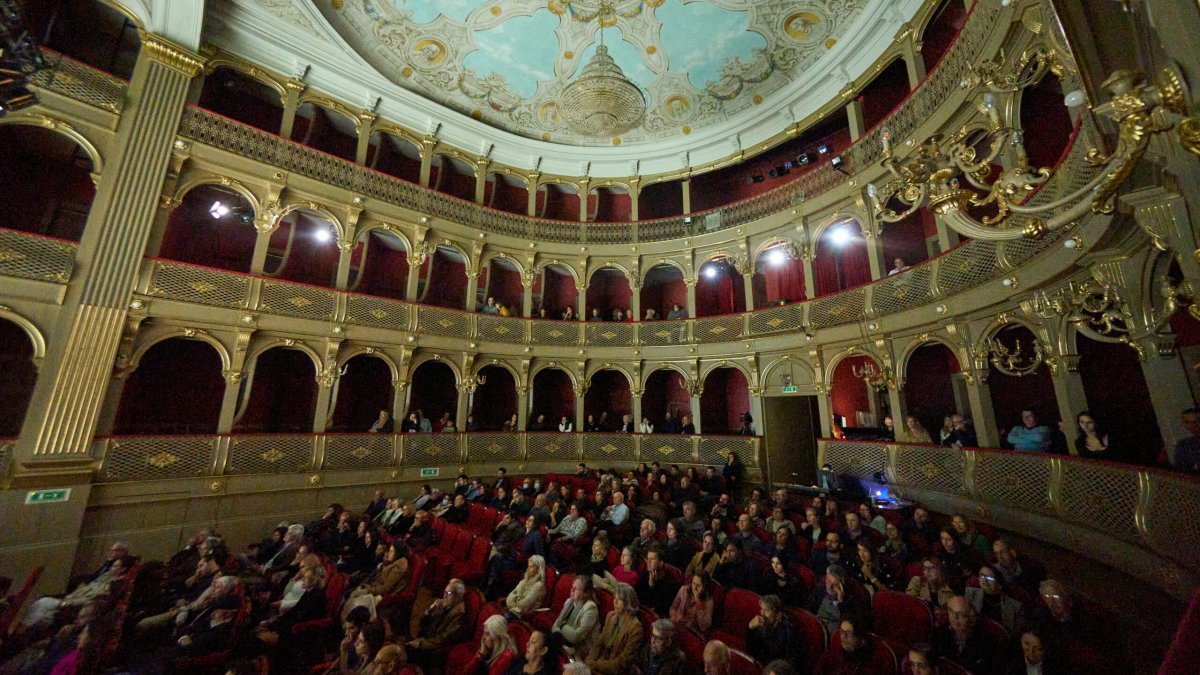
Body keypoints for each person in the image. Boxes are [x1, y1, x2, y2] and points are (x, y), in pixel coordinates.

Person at [932, 595, 1000, 675]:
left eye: (960, 615)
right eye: (951, 612)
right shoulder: (939, 634)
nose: (954, 618)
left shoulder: (985, 640)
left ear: (971, 618)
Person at [584, 583, 643, 675]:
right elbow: (599, 643)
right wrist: (589, 661)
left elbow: (622, 662)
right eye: (614, 598)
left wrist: (595, 665)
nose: (614, 602)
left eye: (619, 599)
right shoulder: (611, 616)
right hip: (601, 664)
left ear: (628, 602)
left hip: (617, 671)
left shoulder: (635, 627)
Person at [407, 579, 467, 666]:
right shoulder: (445, 606)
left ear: (458, 597)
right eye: (445, 592)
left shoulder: (459, 614)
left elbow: (443, 640)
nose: (444, 596)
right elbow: (422, 623)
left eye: (449, 593)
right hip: (426, 639)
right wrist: (431, 609)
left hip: (434, 650)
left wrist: (420, 643)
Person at [814, 616, 886, 675]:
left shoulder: (871, 666)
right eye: (842, 632)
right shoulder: (832, 654)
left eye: (848, 633)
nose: (843, 637)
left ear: (861, 640)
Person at [805, 564, 863, 634]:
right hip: (816, 628)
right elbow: (807, 611)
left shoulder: (850, 601)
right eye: (828, 580)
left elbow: (848, 625)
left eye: (834, 584)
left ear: (841, 585)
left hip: (834, 634)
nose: (829, 586)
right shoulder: (819, 591)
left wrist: (840, 602)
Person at [967, 564, 1024, 634]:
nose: (984, 580)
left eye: (989, 578)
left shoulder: (1015, 607)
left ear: (999, 583)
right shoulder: (970, 594)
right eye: (981, 576)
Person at [747, 594, 802, 666]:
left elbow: (778, 654)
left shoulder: (788, 629)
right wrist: (750, 628)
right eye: (761, 609)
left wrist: (765, 632)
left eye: (766, 610)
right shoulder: (761, 624)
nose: (762, 613)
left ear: (778, 614)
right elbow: (751, 649)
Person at [552, 575, 599, 657]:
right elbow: (554, 627)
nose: (572, 590)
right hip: (565, 642)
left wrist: (562, 625)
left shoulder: (591, 608)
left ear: (585, 593)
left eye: (576, 589)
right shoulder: (569, 602)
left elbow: (575, 637)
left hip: (581, 649)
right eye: (572, 587)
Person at [502, 555, 547, 620]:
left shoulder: (539, 586)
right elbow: (513, 594)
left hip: (523, 614)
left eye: (531, 567)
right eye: (528, 566)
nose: (528, 569)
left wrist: (515, 601)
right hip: (514, 610)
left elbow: (525, 604)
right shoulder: (524, 581)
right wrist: (516, 600)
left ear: (538, 570)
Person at [635, 549, 679, 616]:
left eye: (652, 559)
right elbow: (637, 596)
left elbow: (660, 606)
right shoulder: (643, 576)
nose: (648, 562)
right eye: (647, 559)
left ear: (660, 563)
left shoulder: (669, 582)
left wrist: (652, 586)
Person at [1173, 407, 1200, 472]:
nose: (1194, 425)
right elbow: (1179, 469)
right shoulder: (1184, 445)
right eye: (1188, 422)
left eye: (1197, 421)